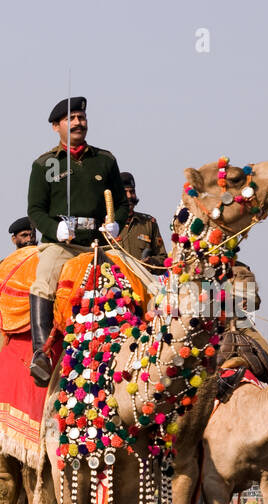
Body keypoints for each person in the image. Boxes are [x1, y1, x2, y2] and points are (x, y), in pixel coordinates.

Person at [26, 96, 129, 384]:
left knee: (132, 282)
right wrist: (54, 228)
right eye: (70, 119)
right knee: (44, 277)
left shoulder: (105, 160)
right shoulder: (44, 164)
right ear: (55, 126)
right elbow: (34, 210)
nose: (77, 123)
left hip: (99, 243)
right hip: (61, 245)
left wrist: (116, 222)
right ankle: (41, 353)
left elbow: (121, 203)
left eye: (81, 117)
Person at [117, 171, 167, 265]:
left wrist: (151, 262)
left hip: (142, 278)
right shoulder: (106, 224)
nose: (129, 196)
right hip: (115, 278)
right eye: (124, 192)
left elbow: (163, 258)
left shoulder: (149, 223)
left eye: (132, 192)